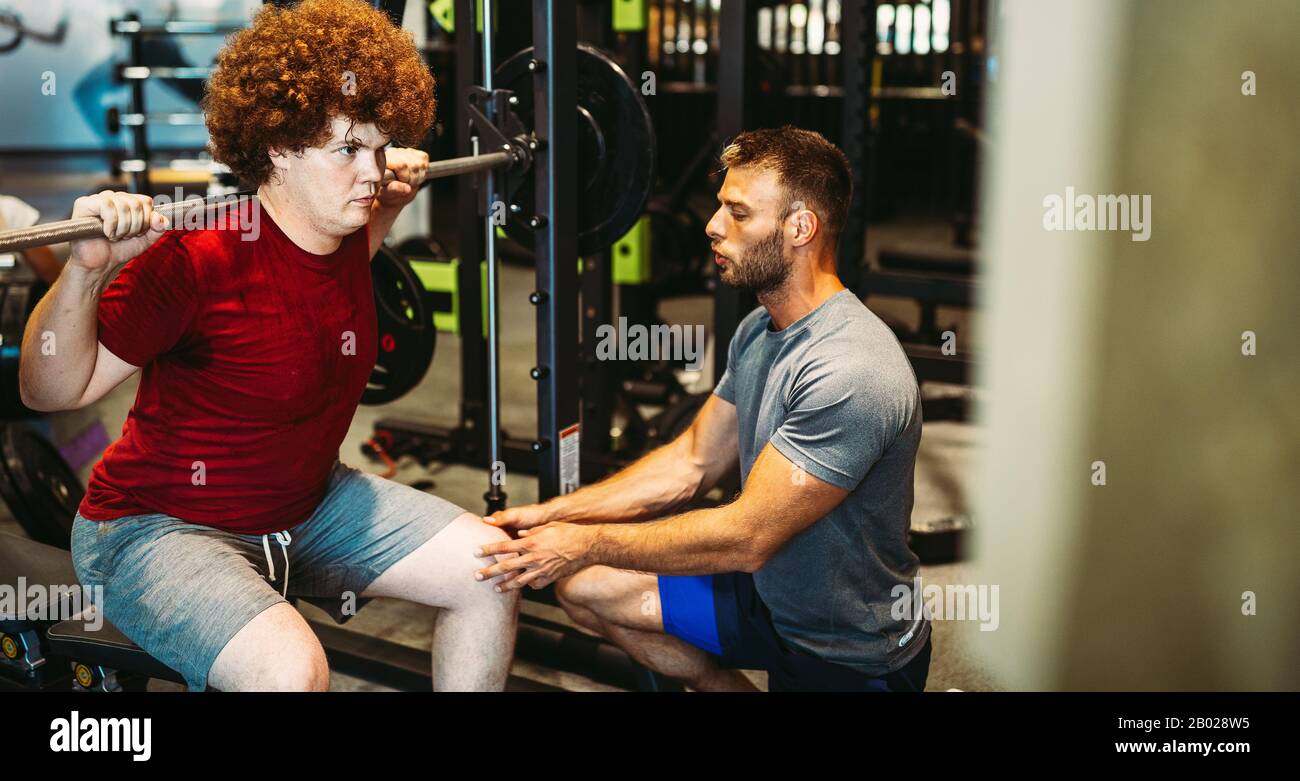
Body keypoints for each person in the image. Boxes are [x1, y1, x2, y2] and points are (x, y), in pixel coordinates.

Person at [18, 0, 517, 692]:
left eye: (378, 148)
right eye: (347, 149)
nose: (371, 173)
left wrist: (392, 198)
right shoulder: (197, 259)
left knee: (492, 565)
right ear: (279, 148)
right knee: (290, 668)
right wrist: (87, 267)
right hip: (160, 527)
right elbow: (50, 392)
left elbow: (329, 275)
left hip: (306, 505)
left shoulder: (345, 228)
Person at [479, 127, 931, 692]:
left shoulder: (851, 369)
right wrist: (555, 517)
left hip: (846, 646)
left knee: (584, 558)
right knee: (586, 585)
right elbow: (691, 461)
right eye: (720, 206)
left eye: (738, 213)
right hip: (765, 594)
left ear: (800, 228)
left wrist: (582, 540)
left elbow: (746, 536)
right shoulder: (759, 330)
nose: (713, 225)